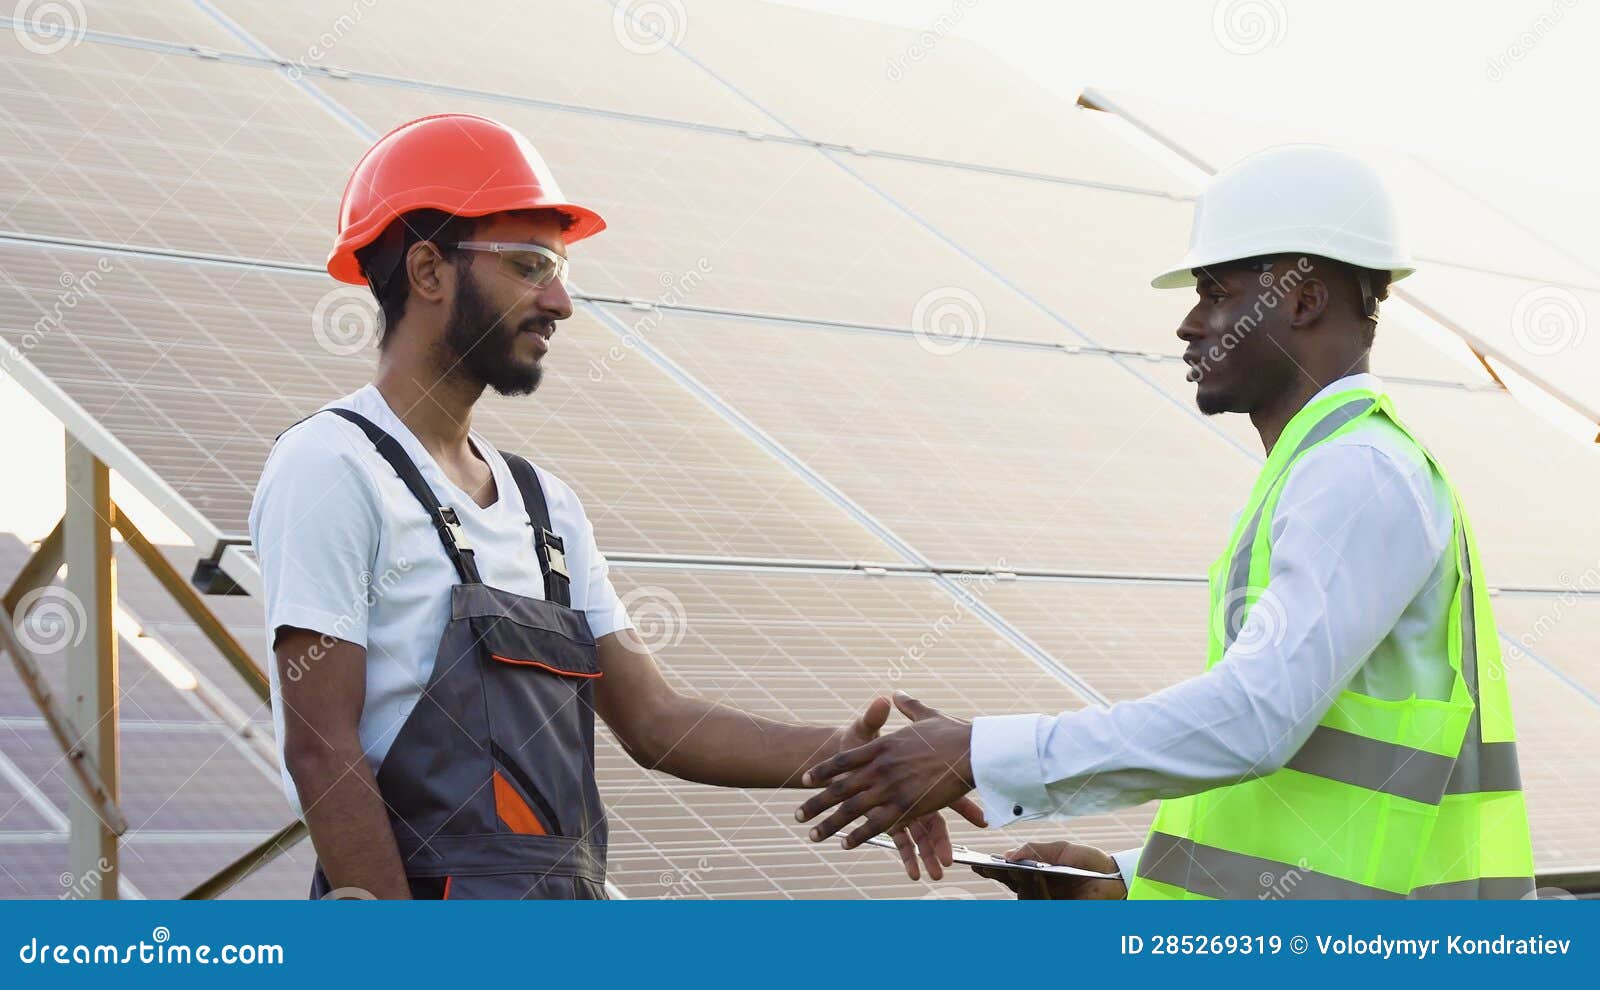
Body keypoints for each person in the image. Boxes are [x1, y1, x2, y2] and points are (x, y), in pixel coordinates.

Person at [250, 113, 979, 899]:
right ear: (428, 271)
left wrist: (851, 756)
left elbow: (657, 721)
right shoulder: (330, 466)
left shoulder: (545, 509)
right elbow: (321, 748)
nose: (560, 301)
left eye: (560, 270)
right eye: (530, 265)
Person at [794, 145, 1536, 900]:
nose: (1189, 323)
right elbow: (1295, 797)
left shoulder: (1359, 474)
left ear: (1302, 300)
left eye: (1216, 293)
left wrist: (980, 754)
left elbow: (1254, 719)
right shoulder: (1326, 471)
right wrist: (1124, 878)